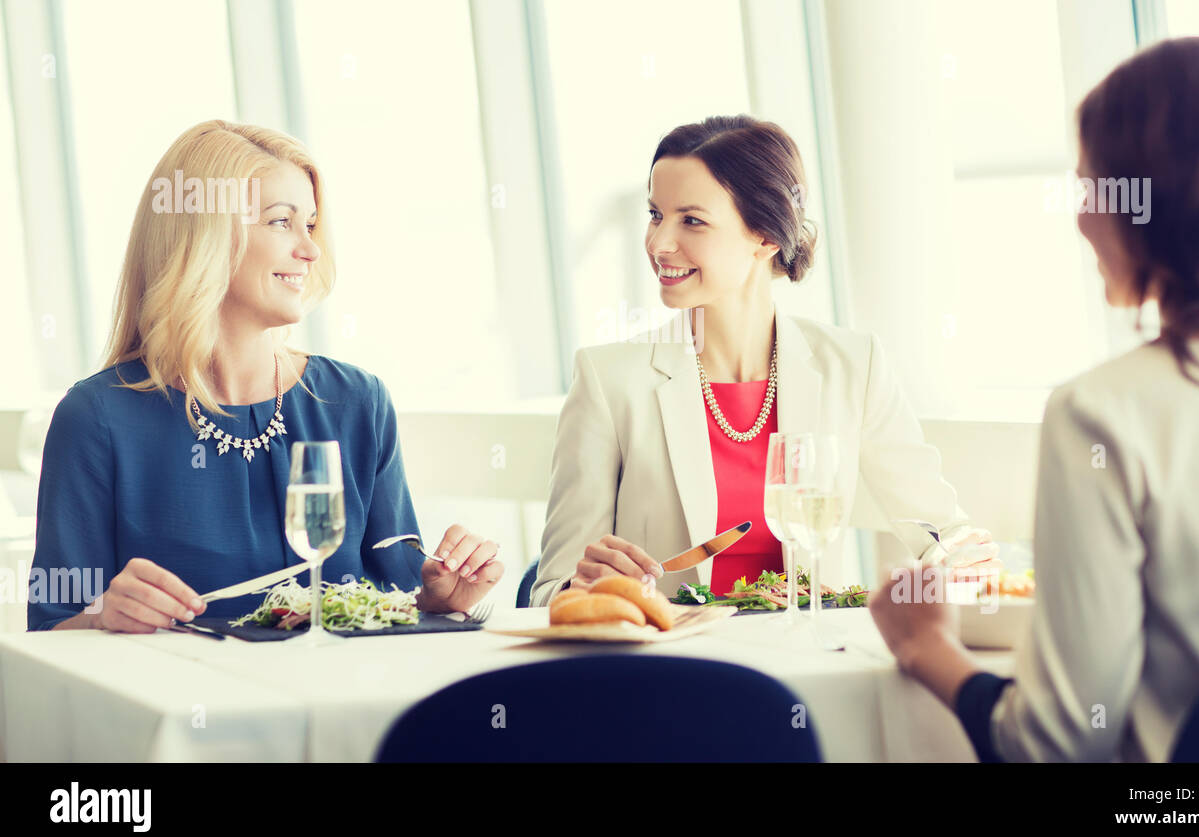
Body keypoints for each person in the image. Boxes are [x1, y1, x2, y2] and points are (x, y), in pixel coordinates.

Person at [870, 36, 1199, 762]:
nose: (1079, 219)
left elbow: (1055, 743)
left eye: (1090, 187)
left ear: (1150, 205)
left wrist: (927, 647)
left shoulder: (1103, 413)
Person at [28, 120, 503, 632]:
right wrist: (99, 618)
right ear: (204, 236)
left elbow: (396, 605)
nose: (311, 249)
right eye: (282, 222)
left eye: (312, 224)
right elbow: (51, 631)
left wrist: (439, 599)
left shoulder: (357, 404)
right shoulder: (97, 420)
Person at [532, 115, 999, 606]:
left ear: (766, 236)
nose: (658, 243)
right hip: (671, 668)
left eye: (691, 220)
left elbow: (941, 533)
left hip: (808, 658)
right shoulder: (609, 381)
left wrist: (960, 562)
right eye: (655, 215)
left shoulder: (853, 367)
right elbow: (548, 592)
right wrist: (580, 588)